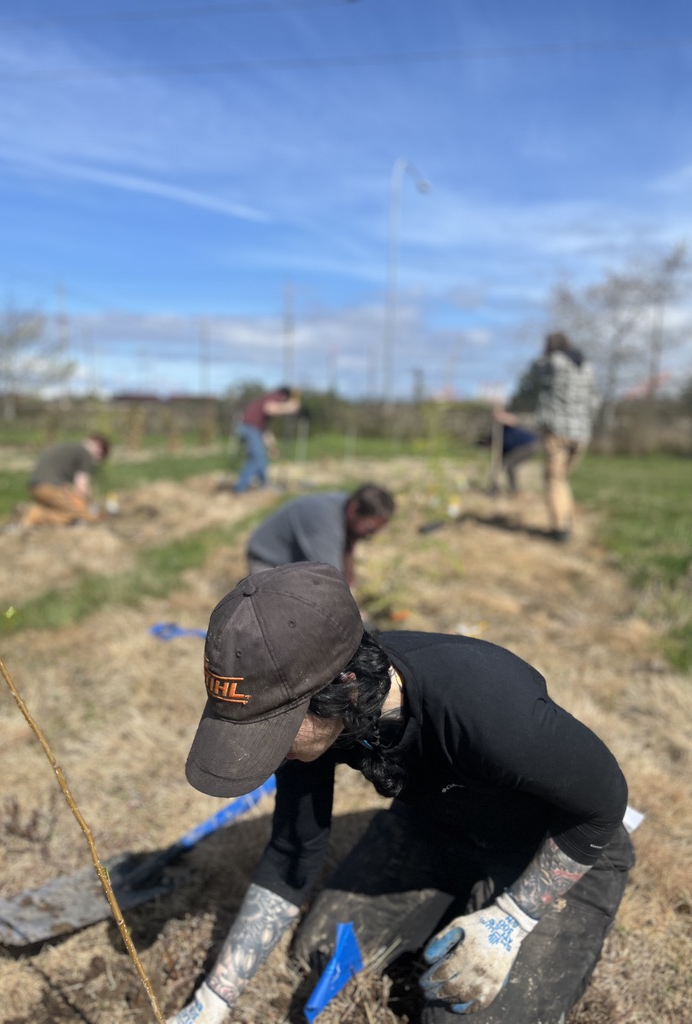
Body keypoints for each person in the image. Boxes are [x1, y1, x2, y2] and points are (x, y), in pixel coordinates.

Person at [167, 562, 634, 1024]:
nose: (269, 752)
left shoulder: (486, 702)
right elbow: (294, 847)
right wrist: (213, 1001)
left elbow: (604, 801)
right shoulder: (317, 713)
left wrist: (512, 919)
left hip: (555, 841)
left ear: (344, 688)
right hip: (437, 826)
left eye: (275, 730)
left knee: (453, 1016)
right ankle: (453, 905)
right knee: (319, 952)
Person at [246, 484, 395, 585]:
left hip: (293, 563)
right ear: (353, 510)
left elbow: (347, 555)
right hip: (268, 559)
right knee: (276, 611)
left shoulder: (347, 511)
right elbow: (328, 580)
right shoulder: (325, 521)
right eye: (369, 529)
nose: (370, 535)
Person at [535, 332, 601, 542]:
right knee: (562, 478)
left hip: (557, 430)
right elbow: (595, 400)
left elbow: (537, 377)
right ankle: (566, 517)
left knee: (554, 480)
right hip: (581, 433)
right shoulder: (587, 367)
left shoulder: (552, 362)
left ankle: (560, 528)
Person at [19, 435, 111, 527]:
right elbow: (81, 485)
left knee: (67, 509)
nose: (95, 460)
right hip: (49, 487)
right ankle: (38, 516)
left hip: (35, 487)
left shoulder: (70, 447)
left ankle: (37, 512)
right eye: (99, 457)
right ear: (99, 449)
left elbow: (65, 485)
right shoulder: (85, 453)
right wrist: (89, 505)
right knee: (78, 515)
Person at [232, 387, 301, 494]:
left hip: (252, 428)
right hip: (249, 427)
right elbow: (269, 408)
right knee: (257, 457)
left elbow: (264, 431)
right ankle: (240, 488)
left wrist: (272, 447)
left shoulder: (268, 400)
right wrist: (288, 407)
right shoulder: (277, 396)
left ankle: (263, 485)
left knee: (259, 458)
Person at [481, 410, 539, 496]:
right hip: (514, 449)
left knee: (510, 466)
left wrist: (502, 417)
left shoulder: (505, 427)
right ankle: (495, 488)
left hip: (526, 445)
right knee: (498, 467)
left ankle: (515, 491)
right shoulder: (496, 434)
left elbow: (513, 420)